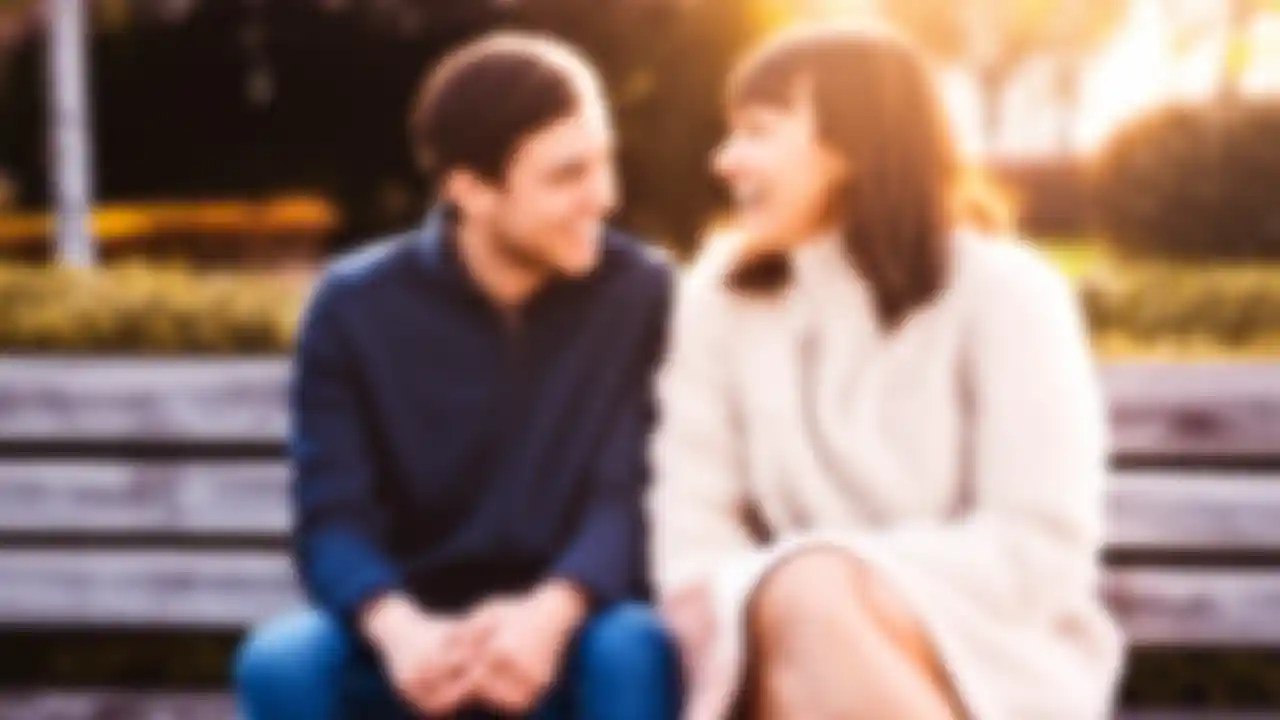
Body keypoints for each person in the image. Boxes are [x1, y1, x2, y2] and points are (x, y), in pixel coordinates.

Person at [649, 24, 1125, 720]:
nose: (725, 160)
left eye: (758, 131)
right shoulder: (720, 298)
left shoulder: (1008, 291)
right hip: (763, 640)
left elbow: (1040, 548)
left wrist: (841, 581)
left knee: (813, 600)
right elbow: (692, 531)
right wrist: (790, 595)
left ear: (851, 146)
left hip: (992, 653)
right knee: (805, 617)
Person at [235, 32, 678, 720]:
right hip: (411, 637)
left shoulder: (644, 296)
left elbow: (628, 495)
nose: (606, 197)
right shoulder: (352, 308)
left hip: (578, 627)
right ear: (469, 190)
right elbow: (332, 516)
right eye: (568, 175)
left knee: (634, 649)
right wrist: (401, 631)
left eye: (604, 163)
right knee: (283, 664)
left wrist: (550, 615)